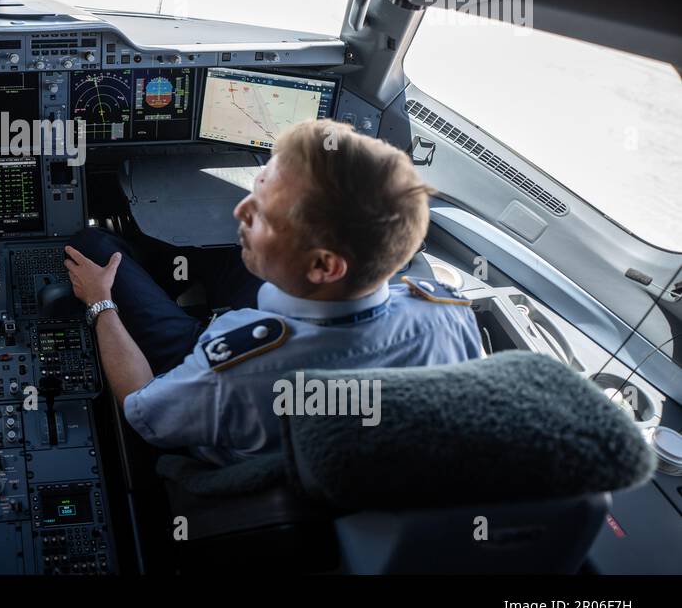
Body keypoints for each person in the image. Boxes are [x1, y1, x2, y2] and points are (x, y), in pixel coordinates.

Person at [63, 119, 483, 465]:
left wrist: (101, 303)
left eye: (264, 214)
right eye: (256, 188)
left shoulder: (235, 364)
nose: (239, 211)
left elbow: (140, 409)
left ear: (323, 265)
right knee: (228, 254)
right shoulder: (447, 311)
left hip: (212, 401)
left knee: (95, 247)